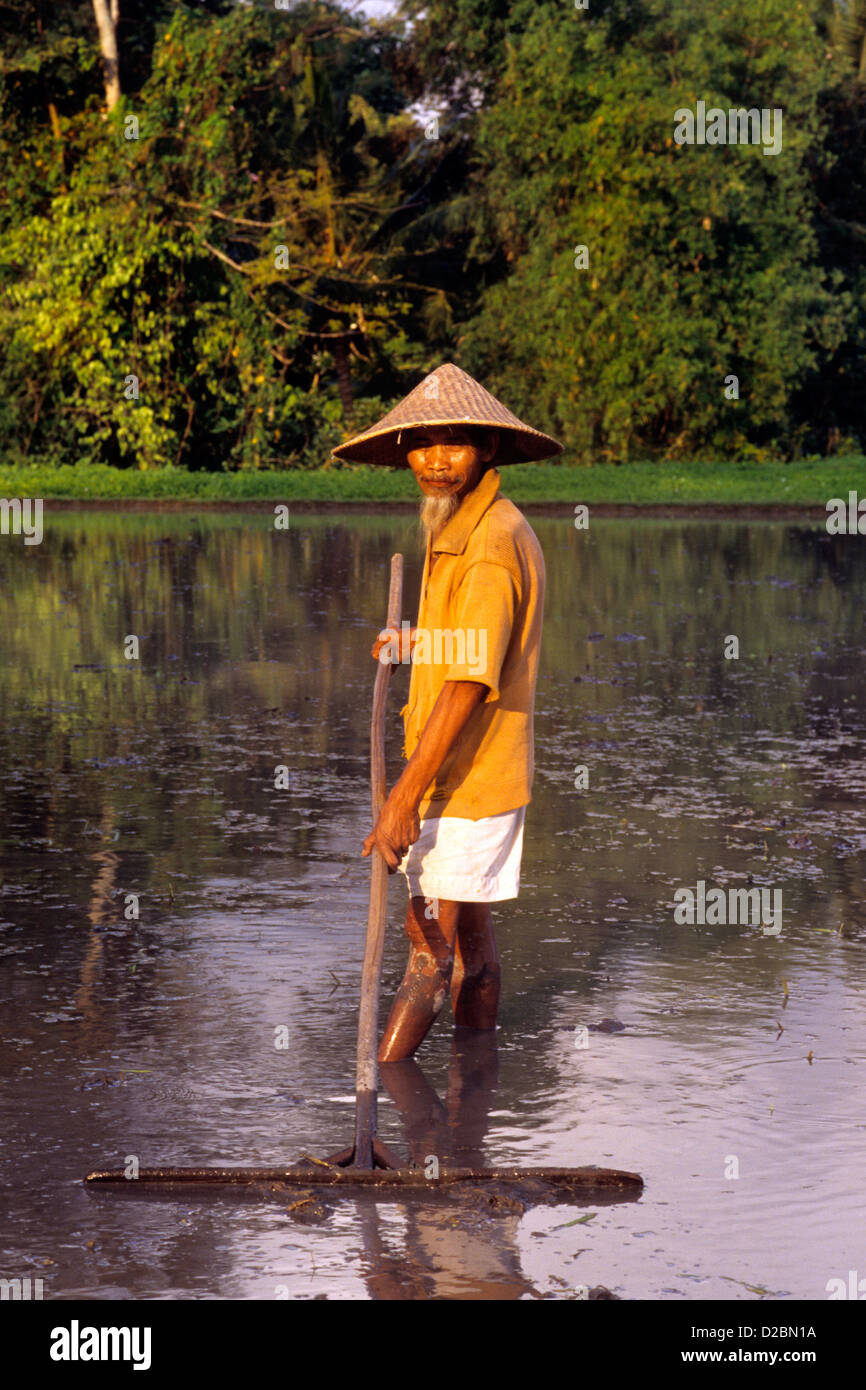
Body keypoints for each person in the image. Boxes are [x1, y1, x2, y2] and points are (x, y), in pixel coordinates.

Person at [331, 362, 562, 1060]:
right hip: (477, 775)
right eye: (422, 445)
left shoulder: (490, 545)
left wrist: (404, 797)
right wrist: (414, 641)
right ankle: (471, 1103)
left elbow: (468, 683)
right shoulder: (464, 522)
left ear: (486, 449)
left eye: (454, 443)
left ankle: (386, 1082)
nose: (435, 460)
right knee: (471, 944)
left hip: (462, 782)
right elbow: (469, 644)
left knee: (427, 952)